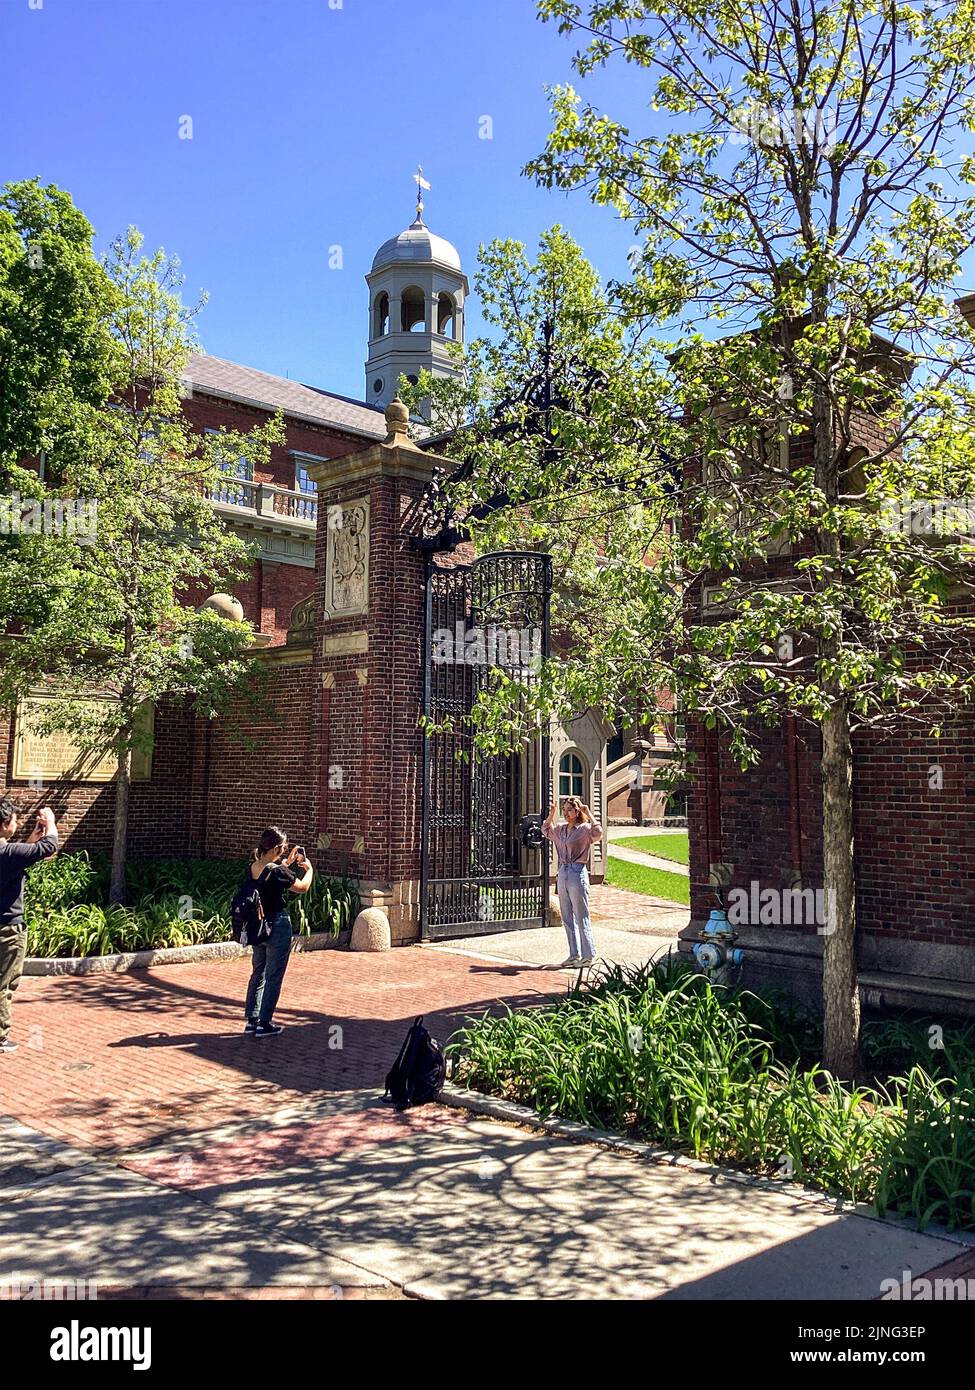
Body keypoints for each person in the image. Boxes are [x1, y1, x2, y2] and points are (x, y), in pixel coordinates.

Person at [0, 799, 59, 1054]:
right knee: (4, 983)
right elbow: (50, 846)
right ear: (4, 825)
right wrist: (51, 823)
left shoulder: (10, 854)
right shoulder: (8, 854)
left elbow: (26, 854)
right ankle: (0, 1037)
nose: (16, 824)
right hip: (8, 929)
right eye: (14, 820)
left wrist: (31, 843)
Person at [243, 826, 313, 1038]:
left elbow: (271, 874)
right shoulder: (278, 871)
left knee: (259, 972)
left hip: (258, 924)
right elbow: (301, 887)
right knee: (274, 975)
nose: (284, 851)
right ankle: (265, 1023)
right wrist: (309, 870)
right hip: (277, 924)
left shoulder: (254, 866)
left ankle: (252, 1020)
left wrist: (287, 863)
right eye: (282, 848)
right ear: (276, 848)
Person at [543, 795, 602, 968]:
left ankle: (588, 955)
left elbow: (598, 832)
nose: (567, 813)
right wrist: (552, 814)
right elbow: (546, 830)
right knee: (567, 916)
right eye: (564, 810)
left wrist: (588, 812)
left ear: (577, 811)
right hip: (563, 872)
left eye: (570, 809)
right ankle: (574, 954)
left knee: (581, 914)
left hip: (577, 872)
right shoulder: (560, 829)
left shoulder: (584, 829)